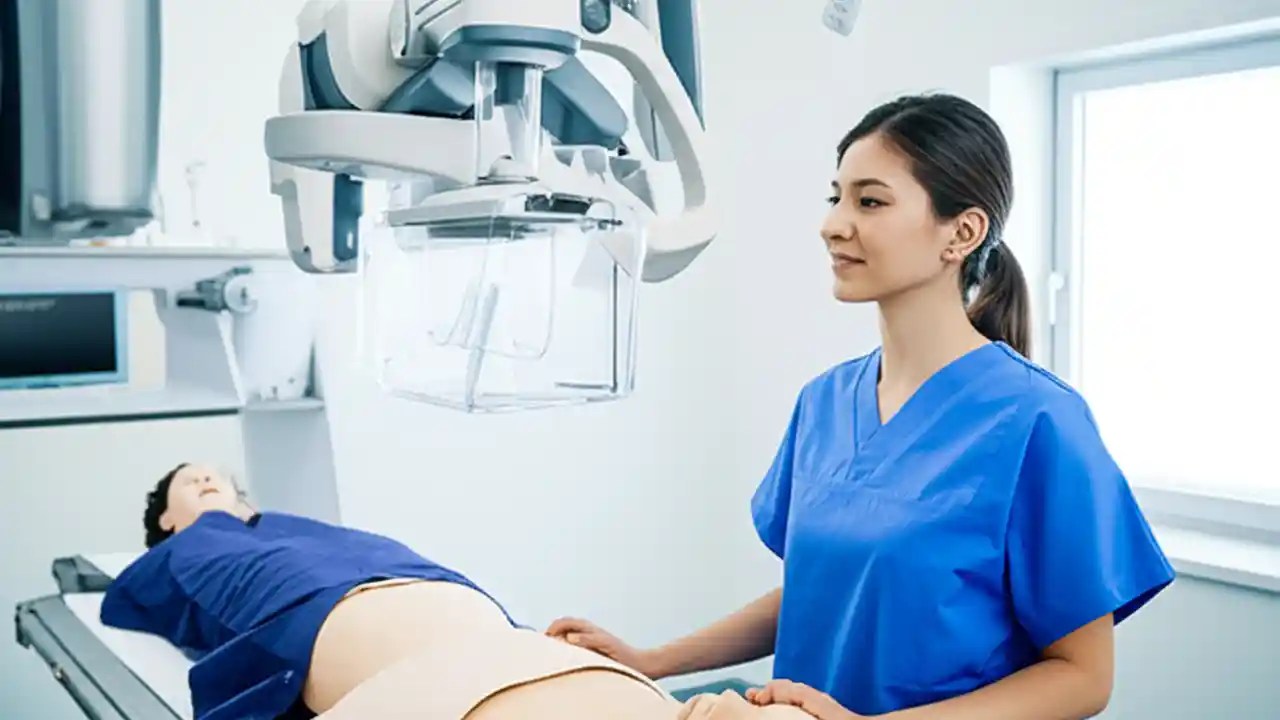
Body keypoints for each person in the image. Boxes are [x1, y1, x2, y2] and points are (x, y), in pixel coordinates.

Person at [546, 93, 1177, 720]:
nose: (833, 224)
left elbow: (1083, 677)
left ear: (963, 232)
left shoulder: (1039, 421)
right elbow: (825, 592)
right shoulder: (824, 401)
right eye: (836, 197)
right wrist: (652, 660)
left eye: (869, 201)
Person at [102, 462, 809, 720]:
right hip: (415, 656)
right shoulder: (200, 549)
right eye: (188, 482)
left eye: (221, 479)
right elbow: (145, 592)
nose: (210, 481)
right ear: (163, 520)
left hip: (507, 641)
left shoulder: (304, 530)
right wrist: (210, 522)